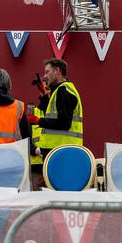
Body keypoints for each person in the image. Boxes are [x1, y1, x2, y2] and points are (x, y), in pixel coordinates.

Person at [31, 58, 83, 187]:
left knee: (58, 189)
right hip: (61, 151)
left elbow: (64, 123)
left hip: (61, 153)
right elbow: (54, 113)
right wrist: (44, 98)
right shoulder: (62, 90)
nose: (45, 76)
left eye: (47, 72)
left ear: (57, 71)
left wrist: (39, 121)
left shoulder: (63, 91)